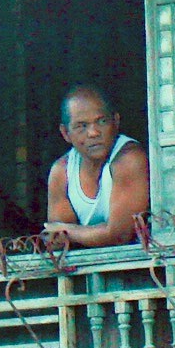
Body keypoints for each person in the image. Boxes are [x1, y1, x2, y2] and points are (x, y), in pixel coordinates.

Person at [40, 82, 153, 248]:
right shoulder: (62, 171)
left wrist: (70, 231)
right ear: (65, 133)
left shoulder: (129, 158)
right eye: (81, 126)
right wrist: (97, 232)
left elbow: (120, 234)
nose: (93, 133)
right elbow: (56, 241)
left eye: (101, 121)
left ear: (115, 122)